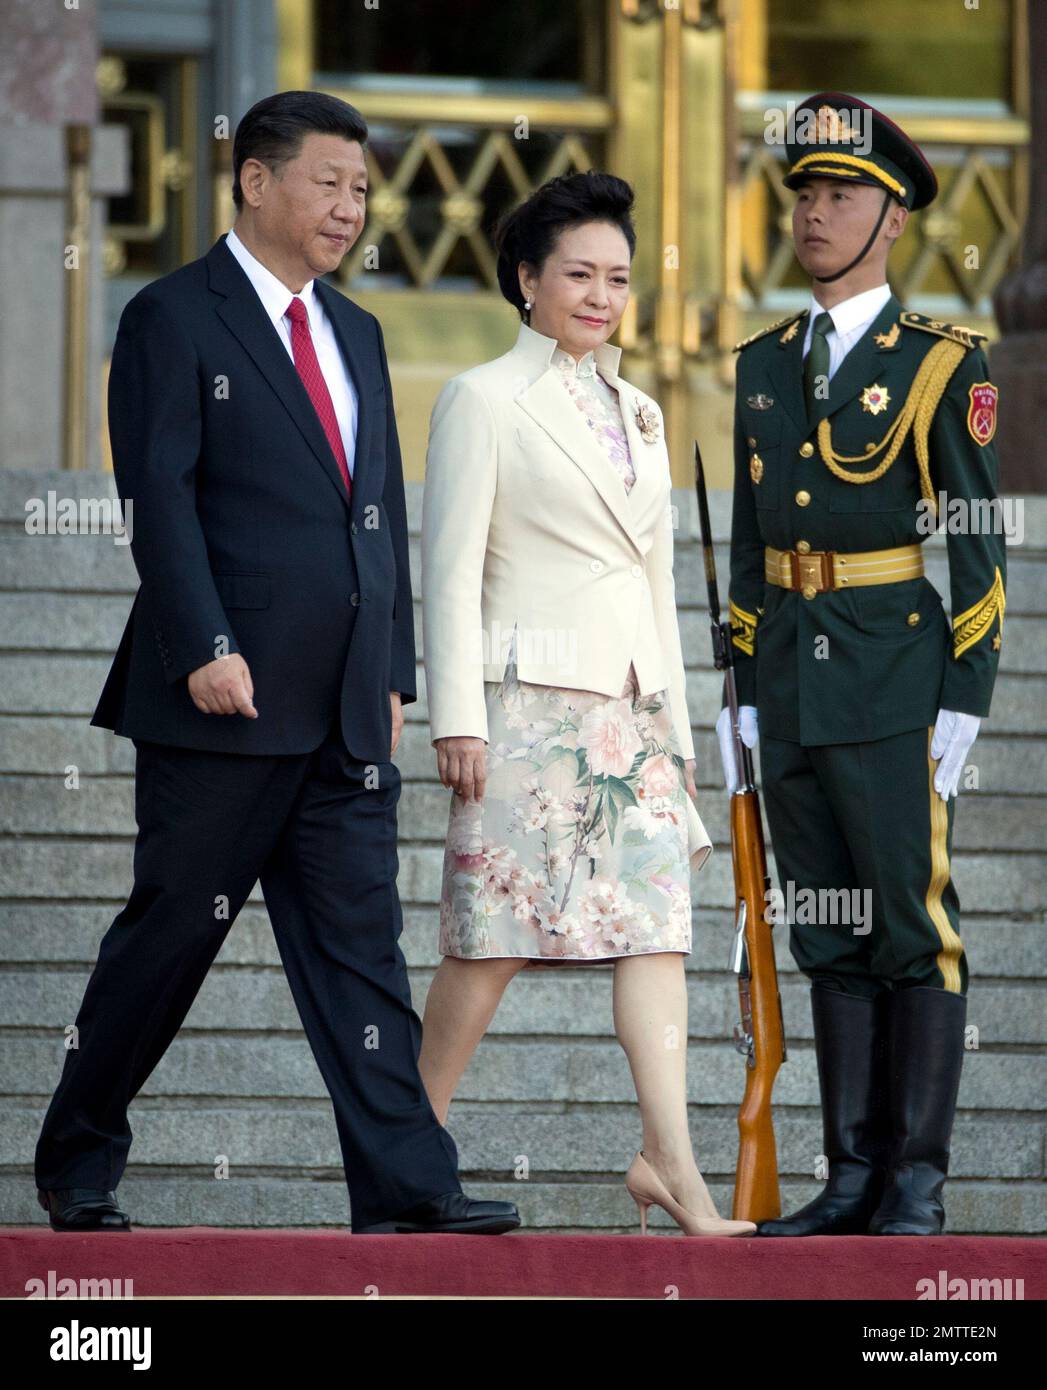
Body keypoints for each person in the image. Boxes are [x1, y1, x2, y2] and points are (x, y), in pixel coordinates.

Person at [33, 90, 518, 1237]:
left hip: (343, 704)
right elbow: (159, 498)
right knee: (168, 940)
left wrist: (393, 665)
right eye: (329, 183)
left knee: (362, 959)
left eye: (361, 187)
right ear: (255, 181)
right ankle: (79, 1155)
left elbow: (377, 513)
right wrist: (204, 642)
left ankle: (409, 1186)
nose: (351, 207)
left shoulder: (357, 330)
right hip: (223, 699)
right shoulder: (172, 316)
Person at [419, 171, 754, 1237]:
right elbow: (451, 566)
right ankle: (407, 1152)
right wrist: (454, 715)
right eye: (579, 275)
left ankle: (673, 1165)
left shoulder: (645, 410)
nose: (603, 295)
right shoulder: (482, 397)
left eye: (618, 277)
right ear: (527, 279)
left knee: (657, 937)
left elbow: (653, 577)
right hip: (523, 713)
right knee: (491, 940)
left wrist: (679, 722)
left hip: (631, 716)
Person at [722, 93, 1006, 1236]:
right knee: (825, 920)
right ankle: (848, 1177)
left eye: (841, 197)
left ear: (892, 219)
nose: (816, 216)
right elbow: (749, 537)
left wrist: (966, 693)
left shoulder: (941, 363)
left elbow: (979, 539)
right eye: (804, 196)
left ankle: (917, 1185)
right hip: (788, 671)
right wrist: (741, 686)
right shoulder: (760, 363)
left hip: (893, 670)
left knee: (909, 921)